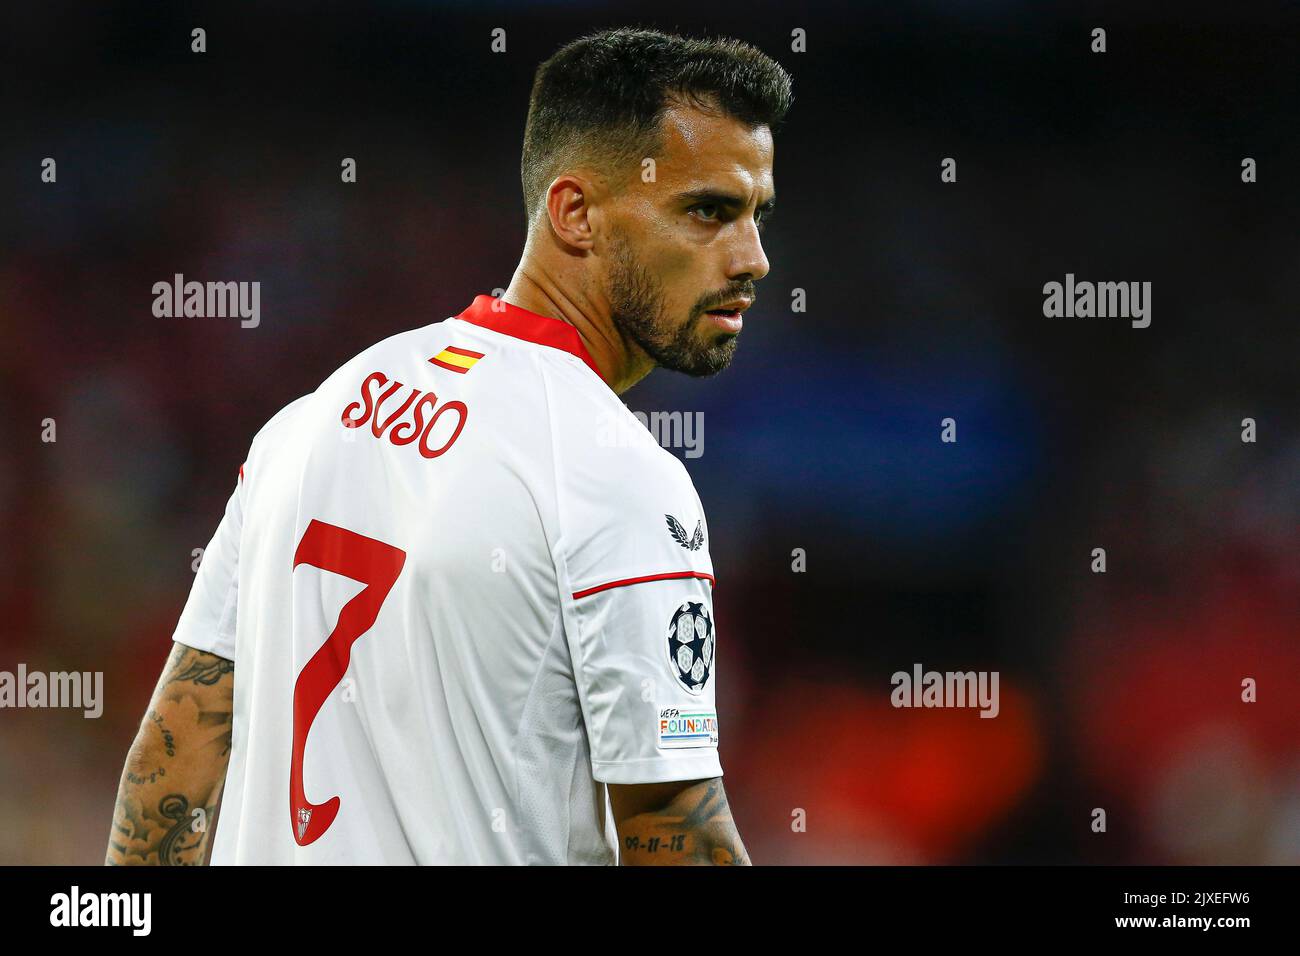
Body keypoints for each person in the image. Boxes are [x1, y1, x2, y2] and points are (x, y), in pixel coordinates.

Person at [106, 26, 791, 865]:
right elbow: (675, 833)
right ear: (575, 213)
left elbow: (175, 755)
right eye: (708, 211)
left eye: (757, 214)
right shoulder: (617, 476)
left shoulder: (315, 413)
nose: (753, 258)